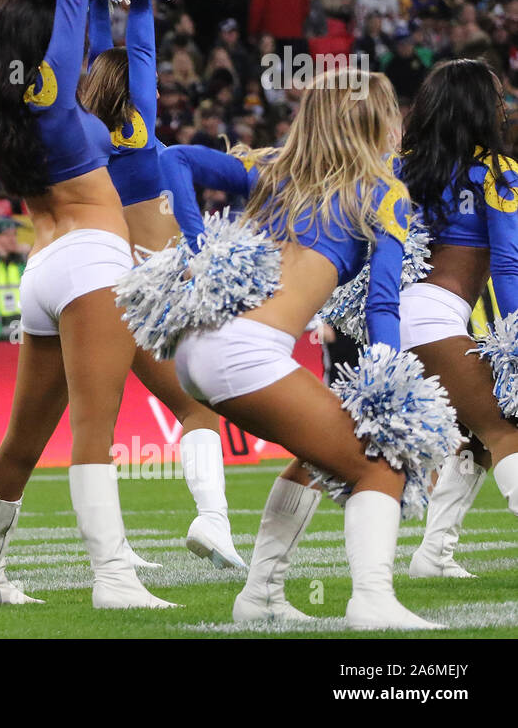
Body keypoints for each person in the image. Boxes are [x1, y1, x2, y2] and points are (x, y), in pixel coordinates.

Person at [162, 70, 439, 629]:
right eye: (392, 115)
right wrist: (392, 398)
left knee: (318, 457)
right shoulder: (384, 193)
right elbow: (380, 306)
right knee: (383, 463)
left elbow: (173, 160)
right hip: (246, 352)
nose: (398, 127)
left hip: (195, 346)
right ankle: (372, 600)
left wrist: (198, 250)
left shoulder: (270, 169)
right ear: (373, 121)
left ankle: (261, 595)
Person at [0, 0, 173, 609]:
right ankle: (114, 580)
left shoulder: (12, 98)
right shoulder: (56, 89)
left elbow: (24, 1)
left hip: (45, 270)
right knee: (95, 431)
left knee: (23, 440)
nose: (77, 37)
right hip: (92, 266)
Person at [80, 0, 245, 570]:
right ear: (139, 96)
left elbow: (107, 49)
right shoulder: (147, 145)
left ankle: (113, 548)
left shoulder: (85, 139)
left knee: (92, 425)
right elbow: (141, 50)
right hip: (154, 294)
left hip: (92, 293)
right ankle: (213, 520)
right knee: (199, 411)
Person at [396, 60, 518, 577]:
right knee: (507, 427)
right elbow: (509, 263)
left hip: (398, 315)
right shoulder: (498, 172)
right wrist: (514, 338)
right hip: (436, 319)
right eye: (496, 95)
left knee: (475, 439)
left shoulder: (404, 166)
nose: (504, 104)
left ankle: (433, 555)